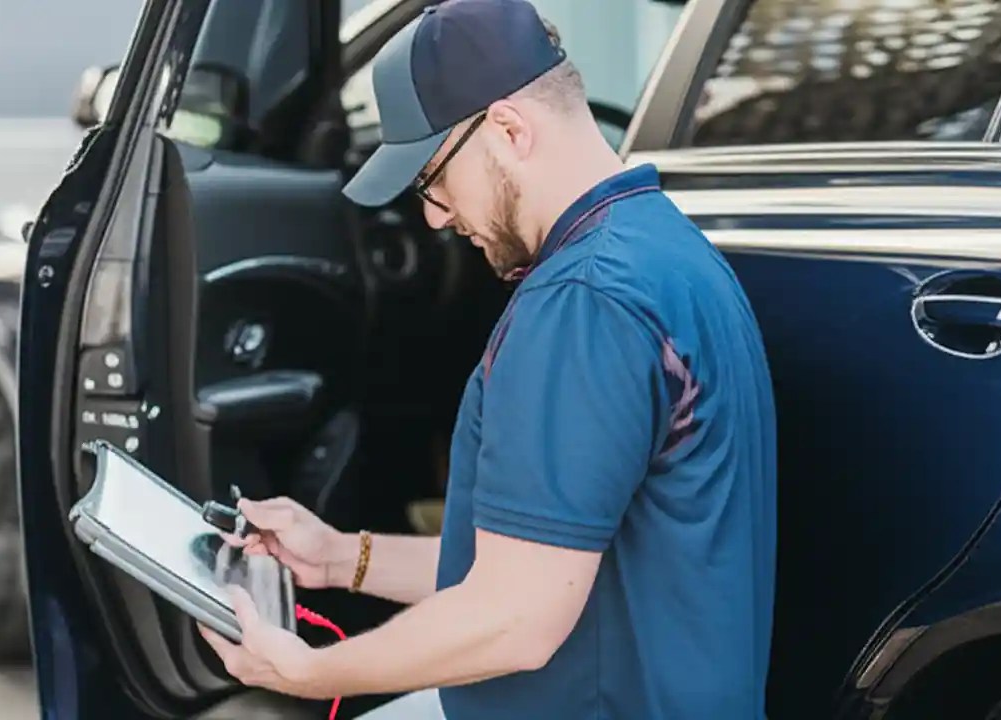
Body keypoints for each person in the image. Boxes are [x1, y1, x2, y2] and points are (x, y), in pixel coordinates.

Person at [198, 0, 778, 717]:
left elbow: (515, 620)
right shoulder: (664, 251)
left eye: (431, 178)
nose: (434, 216)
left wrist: (306, 670)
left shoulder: (582, 304)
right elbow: (526, 561)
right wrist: (336, 556)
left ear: (507, 129)